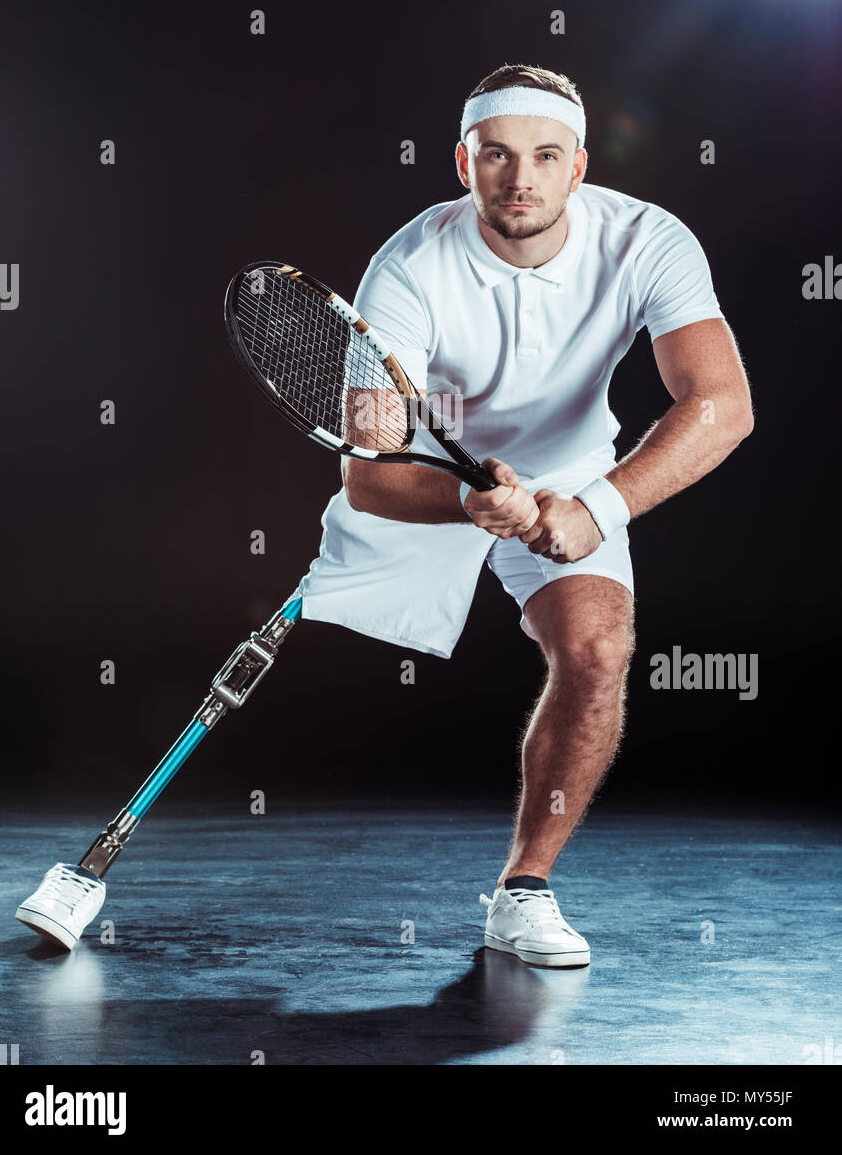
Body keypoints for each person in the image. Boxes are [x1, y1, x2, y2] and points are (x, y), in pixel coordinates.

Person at [297, 63, 754, 967]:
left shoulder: (648, 240)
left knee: (596, 650)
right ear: (461, 162)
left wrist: (600, 504)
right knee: (283, 643)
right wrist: (470, 497)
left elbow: (721, 404)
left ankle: (523, 891)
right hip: (432, 479)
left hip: (577, 475)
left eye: (545, 155)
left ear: (577, 167)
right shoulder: (406, 266)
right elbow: (368, 474)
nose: (521, 178)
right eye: (497, 156)